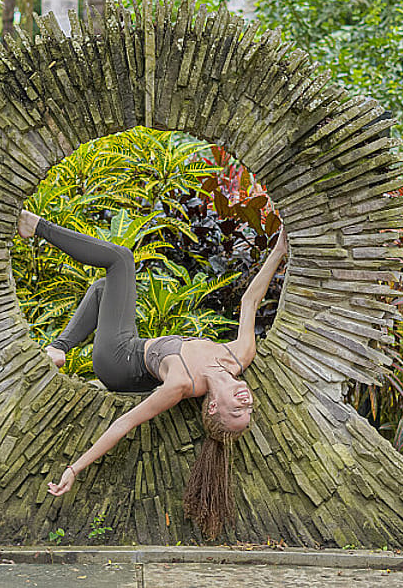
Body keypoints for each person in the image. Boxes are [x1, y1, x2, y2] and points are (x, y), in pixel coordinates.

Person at [16, 209, 288, 536]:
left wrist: (75, 468)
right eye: (249, 408)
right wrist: (279, 250)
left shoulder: (182, 384)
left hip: (117, 363)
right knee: (105, 289)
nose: (245, 401)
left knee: (121, 259)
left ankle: (37, 226)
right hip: (130, 342)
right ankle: (60, 348)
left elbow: (125, 422)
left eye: (237, 409)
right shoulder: (240, 354)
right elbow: (250, 300)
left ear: (214, 406)